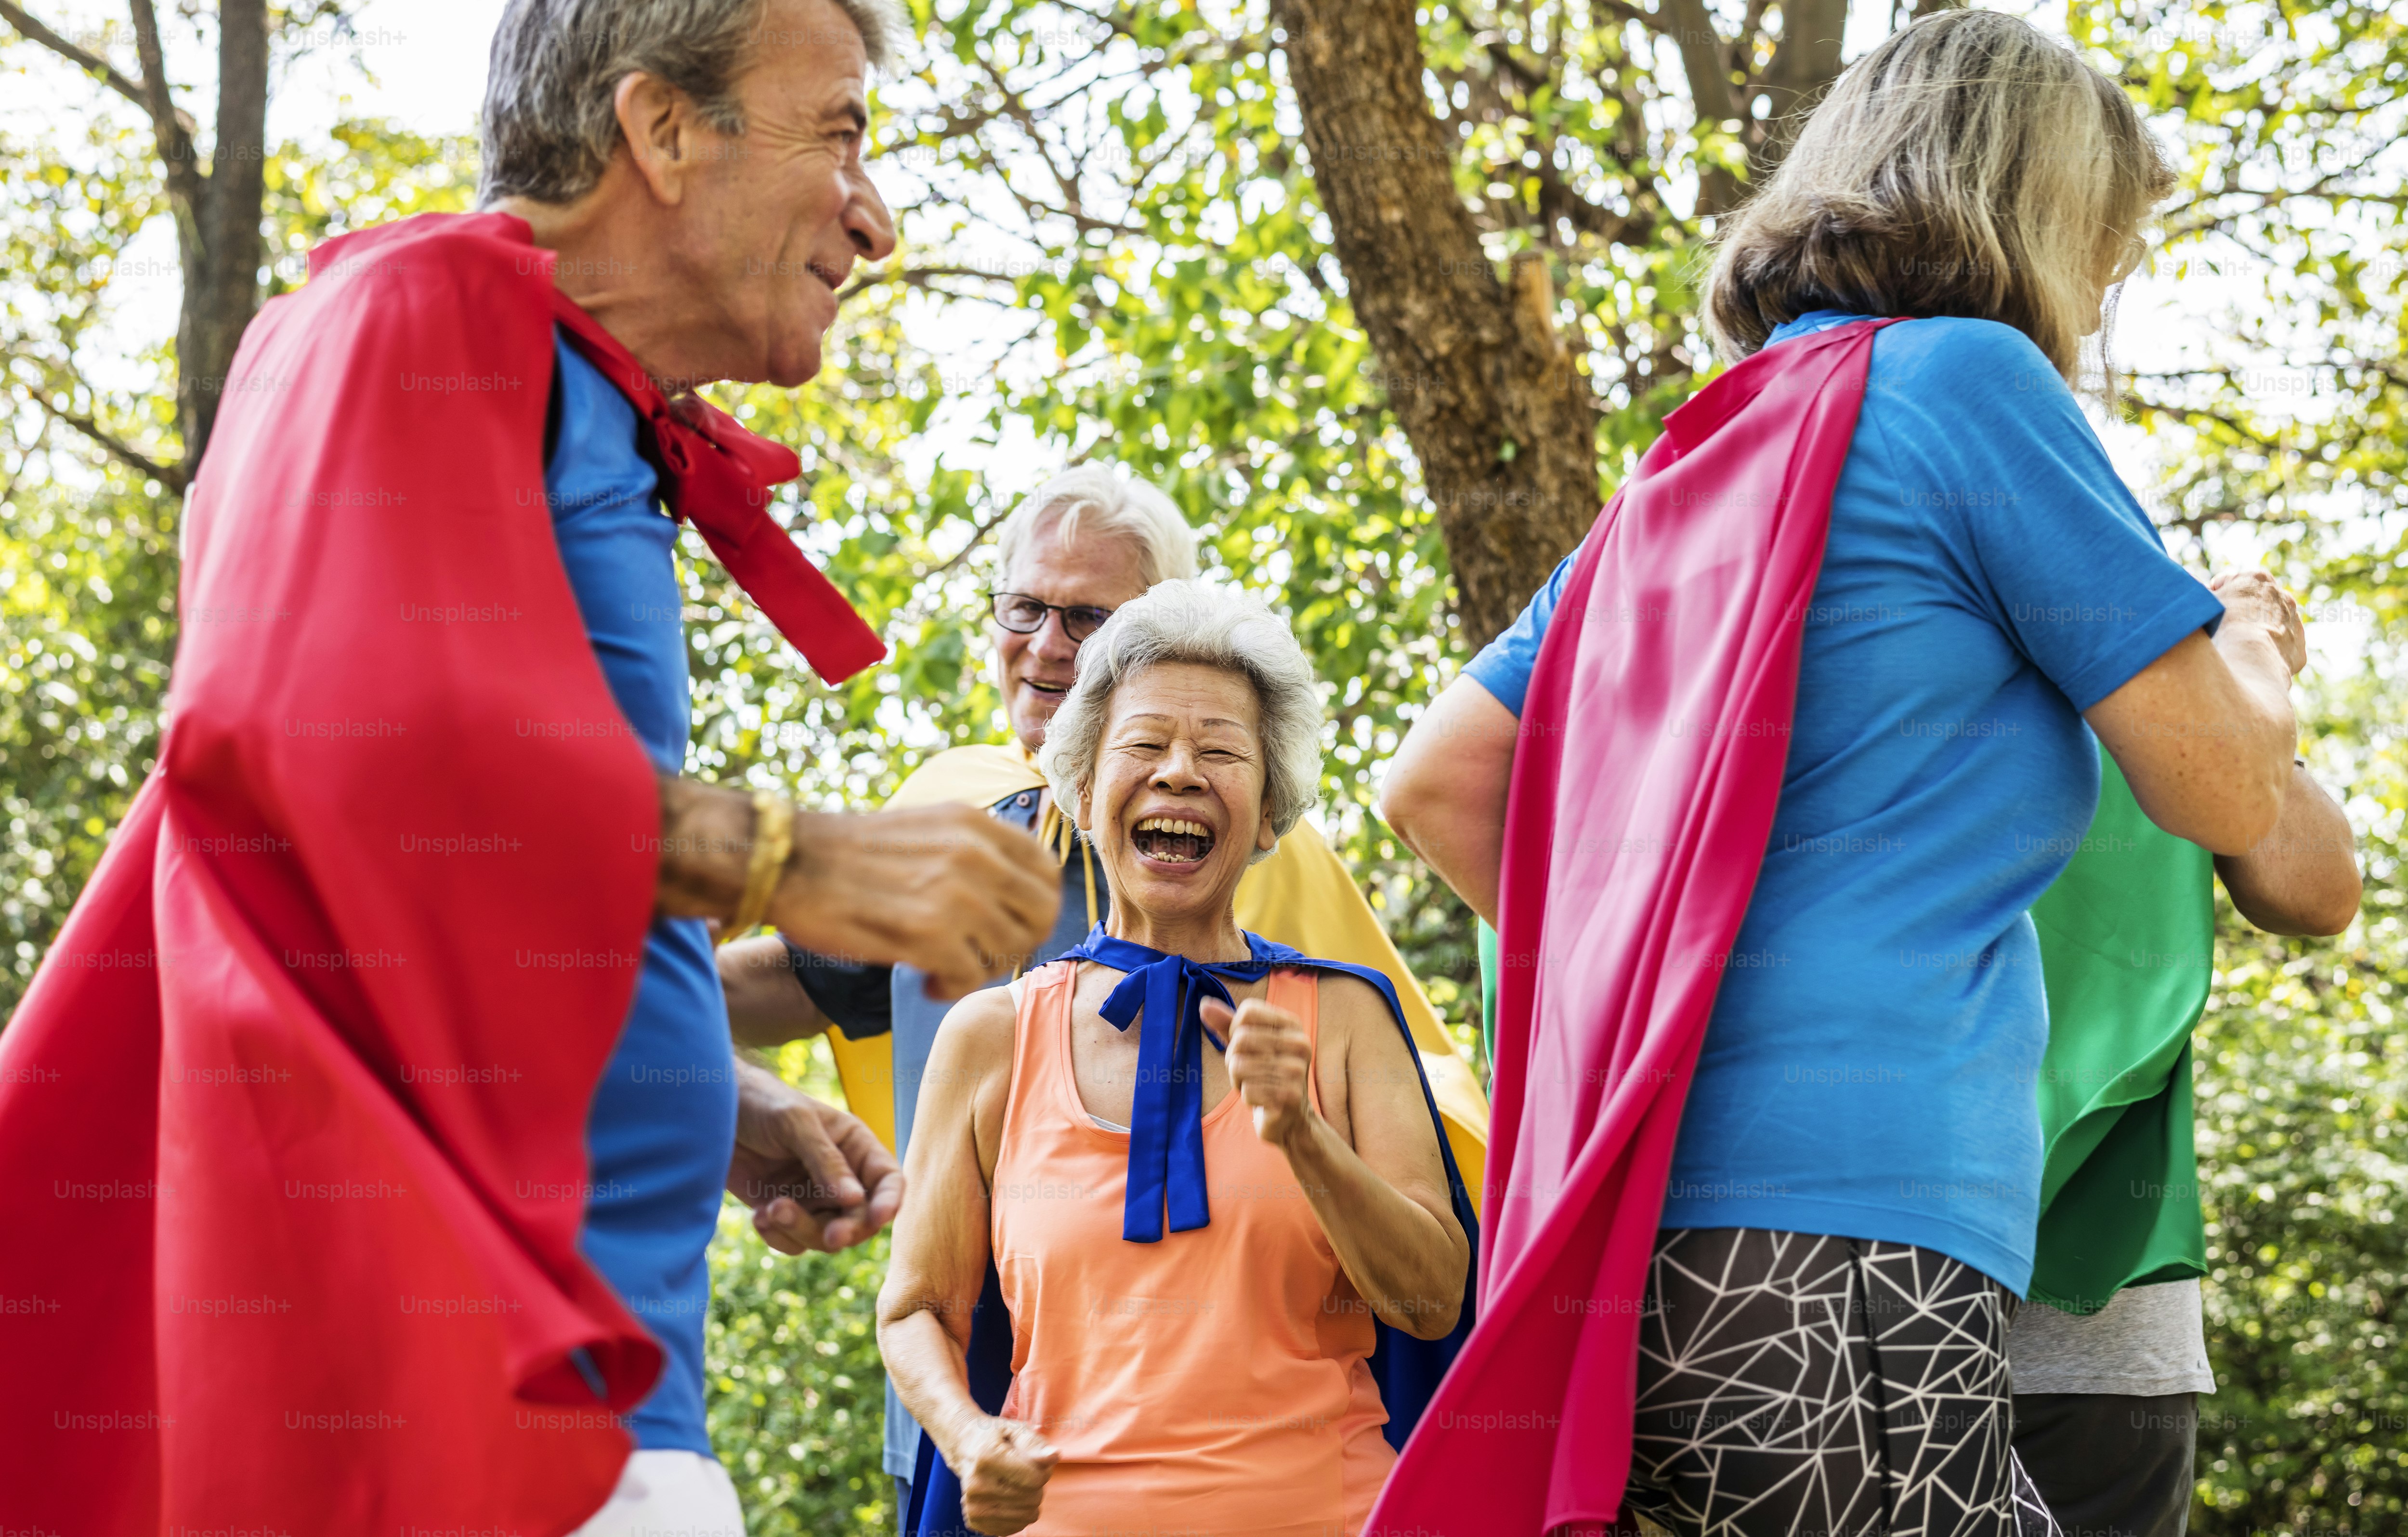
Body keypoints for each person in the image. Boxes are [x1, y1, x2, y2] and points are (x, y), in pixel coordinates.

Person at [0, 3, 1065, 1535]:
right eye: (839, 131)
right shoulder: (400, 308)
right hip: (454, 1408)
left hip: (582, 1399)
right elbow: (307, 740)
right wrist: (800, 859)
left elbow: (446, 857)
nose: (876, 218)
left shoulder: (573, 401)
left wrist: (705, 1093)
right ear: (663, 129)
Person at [1370, 12, 2313, 1537]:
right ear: (2035, 202)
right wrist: (2262, 662)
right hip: (1850, 1247)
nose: (2108, 284)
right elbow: (2219, 788)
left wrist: (1677, 979)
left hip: (1630, 1260)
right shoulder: (1972, 390)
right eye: (2108, 238)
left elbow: (1440, 777)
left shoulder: (1701, 446)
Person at [716, 462, 1492, 1508]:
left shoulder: (1294, 894)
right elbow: (800, 979)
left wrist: (1302, 1128)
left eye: (1087, 618)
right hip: (993, 1433)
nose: (1046, 647)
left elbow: (1429, 1193)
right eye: (1026, 608)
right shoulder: (952, 825)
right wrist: (658, 1052)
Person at [876, 579, 1475, 1537]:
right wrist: (965, 1437)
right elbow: (913, 1311)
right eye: (1146, 746)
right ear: (1081, 793)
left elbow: (1432, 1300)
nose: (1181, 774)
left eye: (1222, 753)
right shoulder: (988, 1038)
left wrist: (1305, 1139)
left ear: (1270, 814)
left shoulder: (1348, 1016)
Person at [2012, 736, 2357, 1537]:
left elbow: (2315, 892)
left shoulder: (2171, 638)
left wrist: (2250, 686)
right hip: (1853, 1259)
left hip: (2098, 1329)